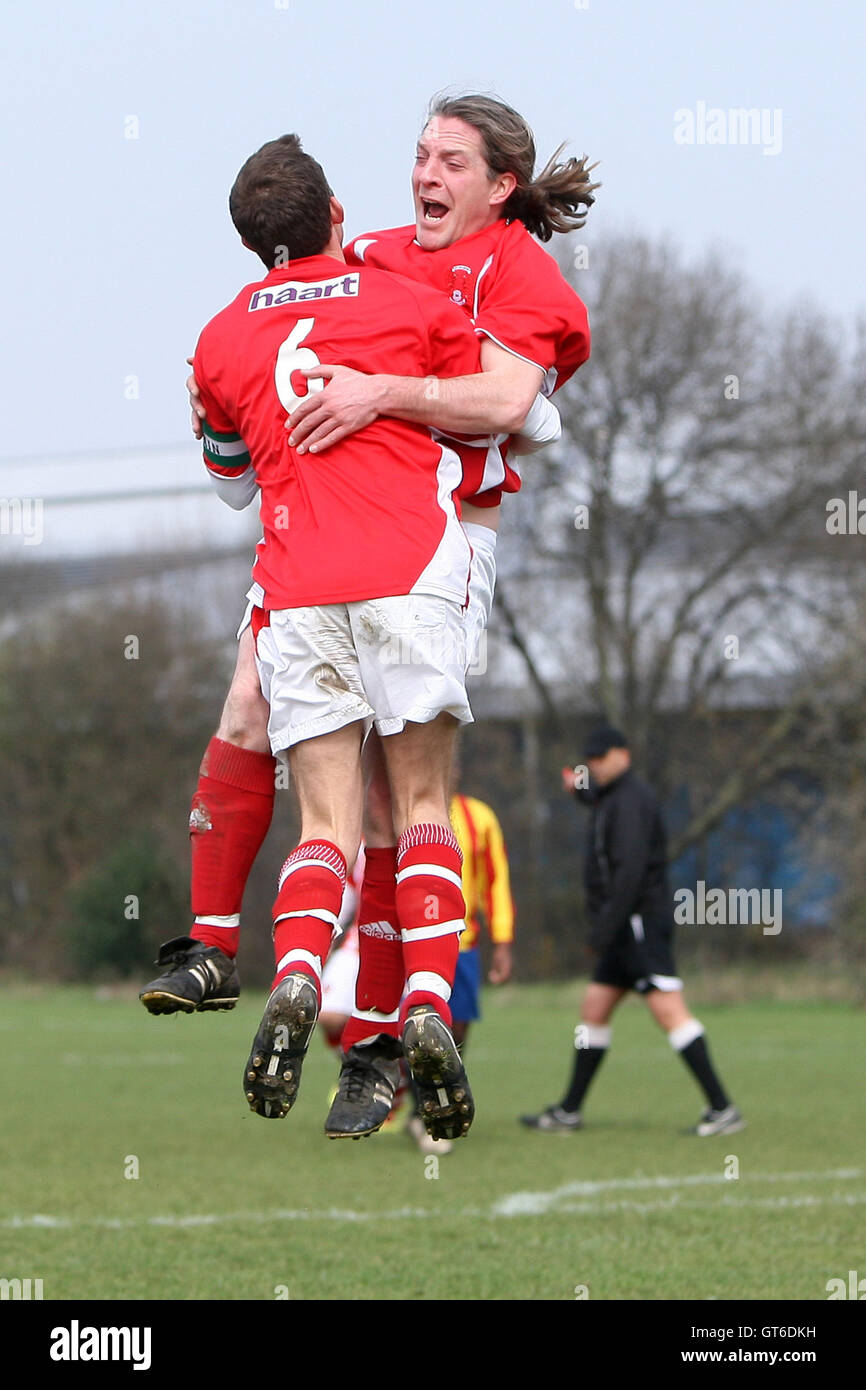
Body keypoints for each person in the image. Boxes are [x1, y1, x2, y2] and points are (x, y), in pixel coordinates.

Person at [146, 93, 596, 1139]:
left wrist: (378, 394)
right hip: (331, 537)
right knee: (252, 712)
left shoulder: (521, 275)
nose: (424, 176)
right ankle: (231, 953)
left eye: (449, 160)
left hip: (442, 534)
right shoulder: (384, 254)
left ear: (498, 184)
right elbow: (307, 296)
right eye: (417, 154)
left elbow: (510, 406)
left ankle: (382, 1038)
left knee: (389, 805)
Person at [520, 726, 745, 1137]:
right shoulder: (610, 797)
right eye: (591, 759)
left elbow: (630, 874)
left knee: (669, 1013)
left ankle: (722, 1108)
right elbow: (595, 798)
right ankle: (569, 1111)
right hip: (622, 929)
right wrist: (577, 789)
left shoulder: (632, 801)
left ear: (623, 754)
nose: (596, 764)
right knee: (593, 1013)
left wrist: (603, 930)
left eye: (601, 757)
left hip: (637, 924)